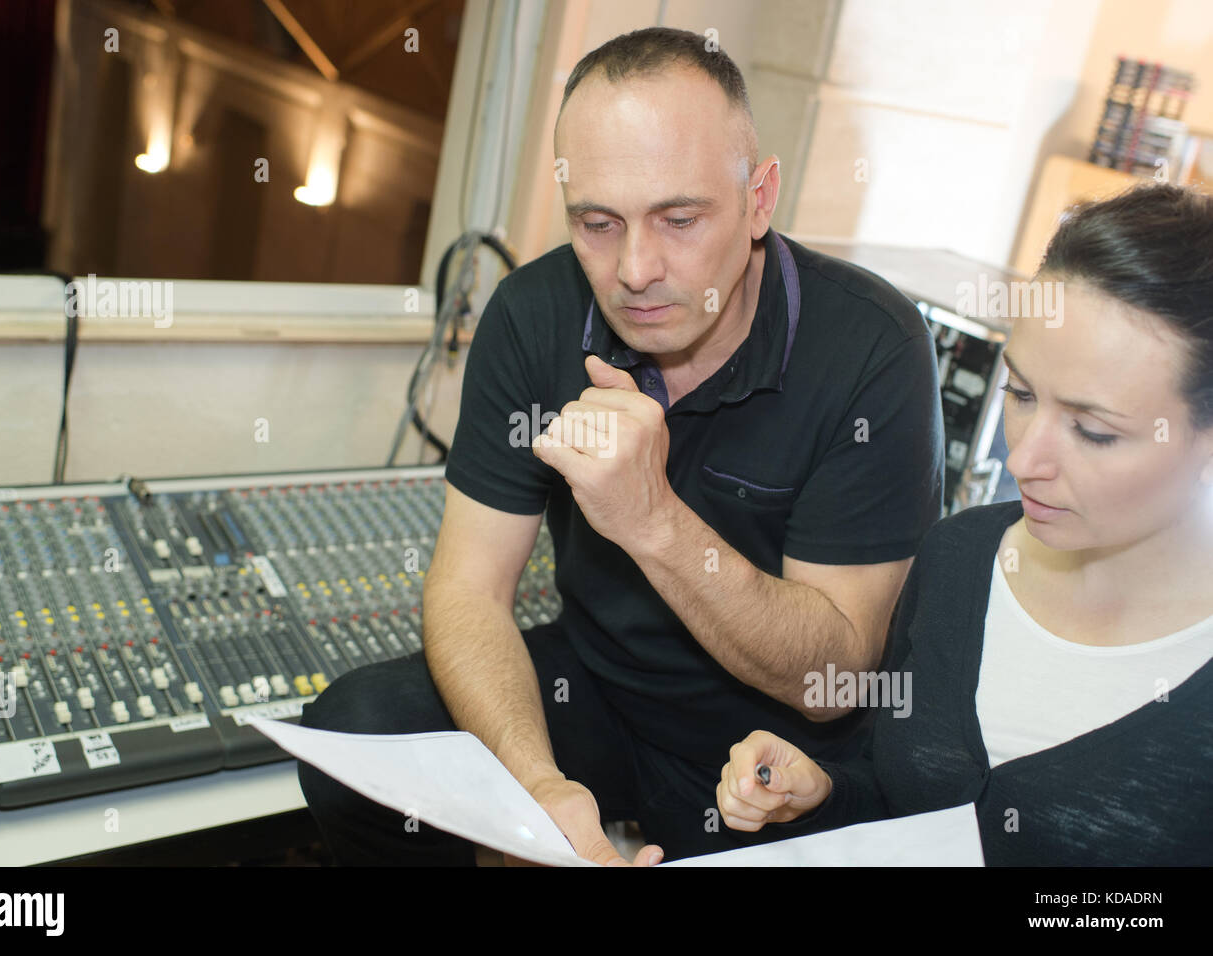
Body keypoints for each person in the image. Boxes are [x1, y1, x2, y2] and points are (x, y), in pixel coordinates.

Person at [297, 26, 943, 865]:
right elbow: (468, 591)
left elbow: (838, 679)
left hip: (776, 748)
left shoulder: (874, 349)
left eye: (679, 219)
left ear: (758, 198)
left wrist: (650, 519)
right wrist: (535, 792)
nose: (636, 268)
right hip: (596, 686)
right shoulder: (533, 314)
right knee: (361, 737)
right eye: (597, 223)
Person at [716, 183, 1213, 865]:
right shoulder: (961, 556)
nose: (1027, 457)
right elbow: (901, 799)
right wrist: (824, 791)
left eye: (1093, 432)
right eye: (1021, 393)